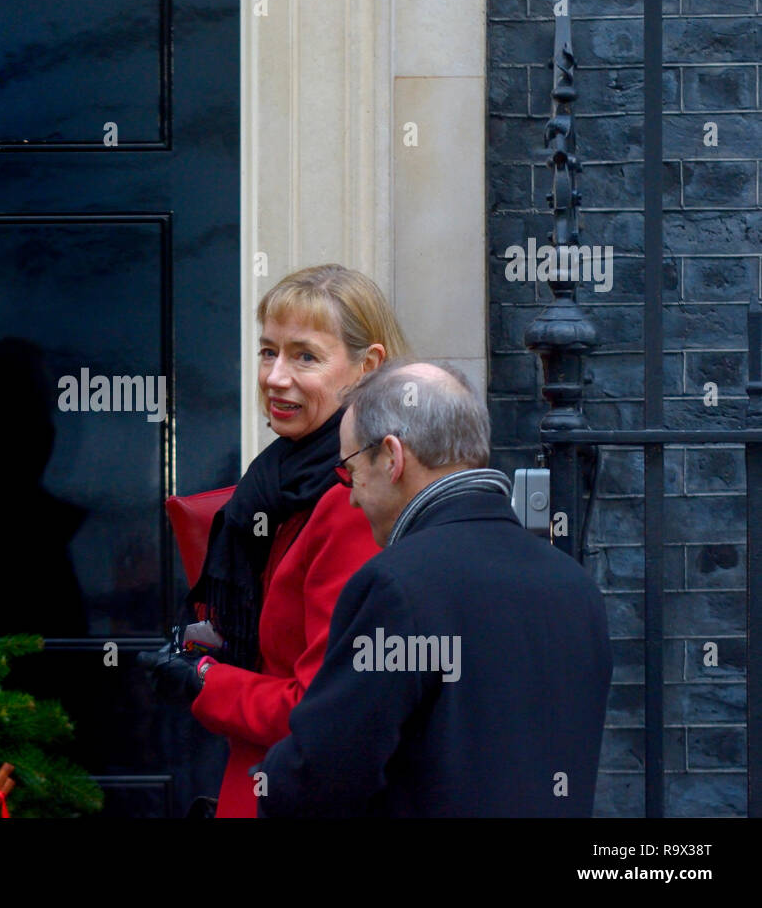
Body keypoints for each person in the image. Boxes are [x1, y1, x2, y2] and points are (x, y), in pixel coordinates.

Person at [258, 361, 613, 817]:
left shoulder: (395, 586)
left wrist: (269, 778)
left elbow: (322, 774)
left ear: (391, 457)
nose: (350, 495)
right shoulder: (574, 586)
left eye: (349, 471)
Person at [144, 264, 410, 818]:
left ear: (369, 366)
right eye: (269, 352)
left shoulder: (352, 500)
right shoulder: (284, 482)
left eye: (305, 356)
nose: (275, 377)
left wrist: (203, 679)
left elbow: (318, 705)